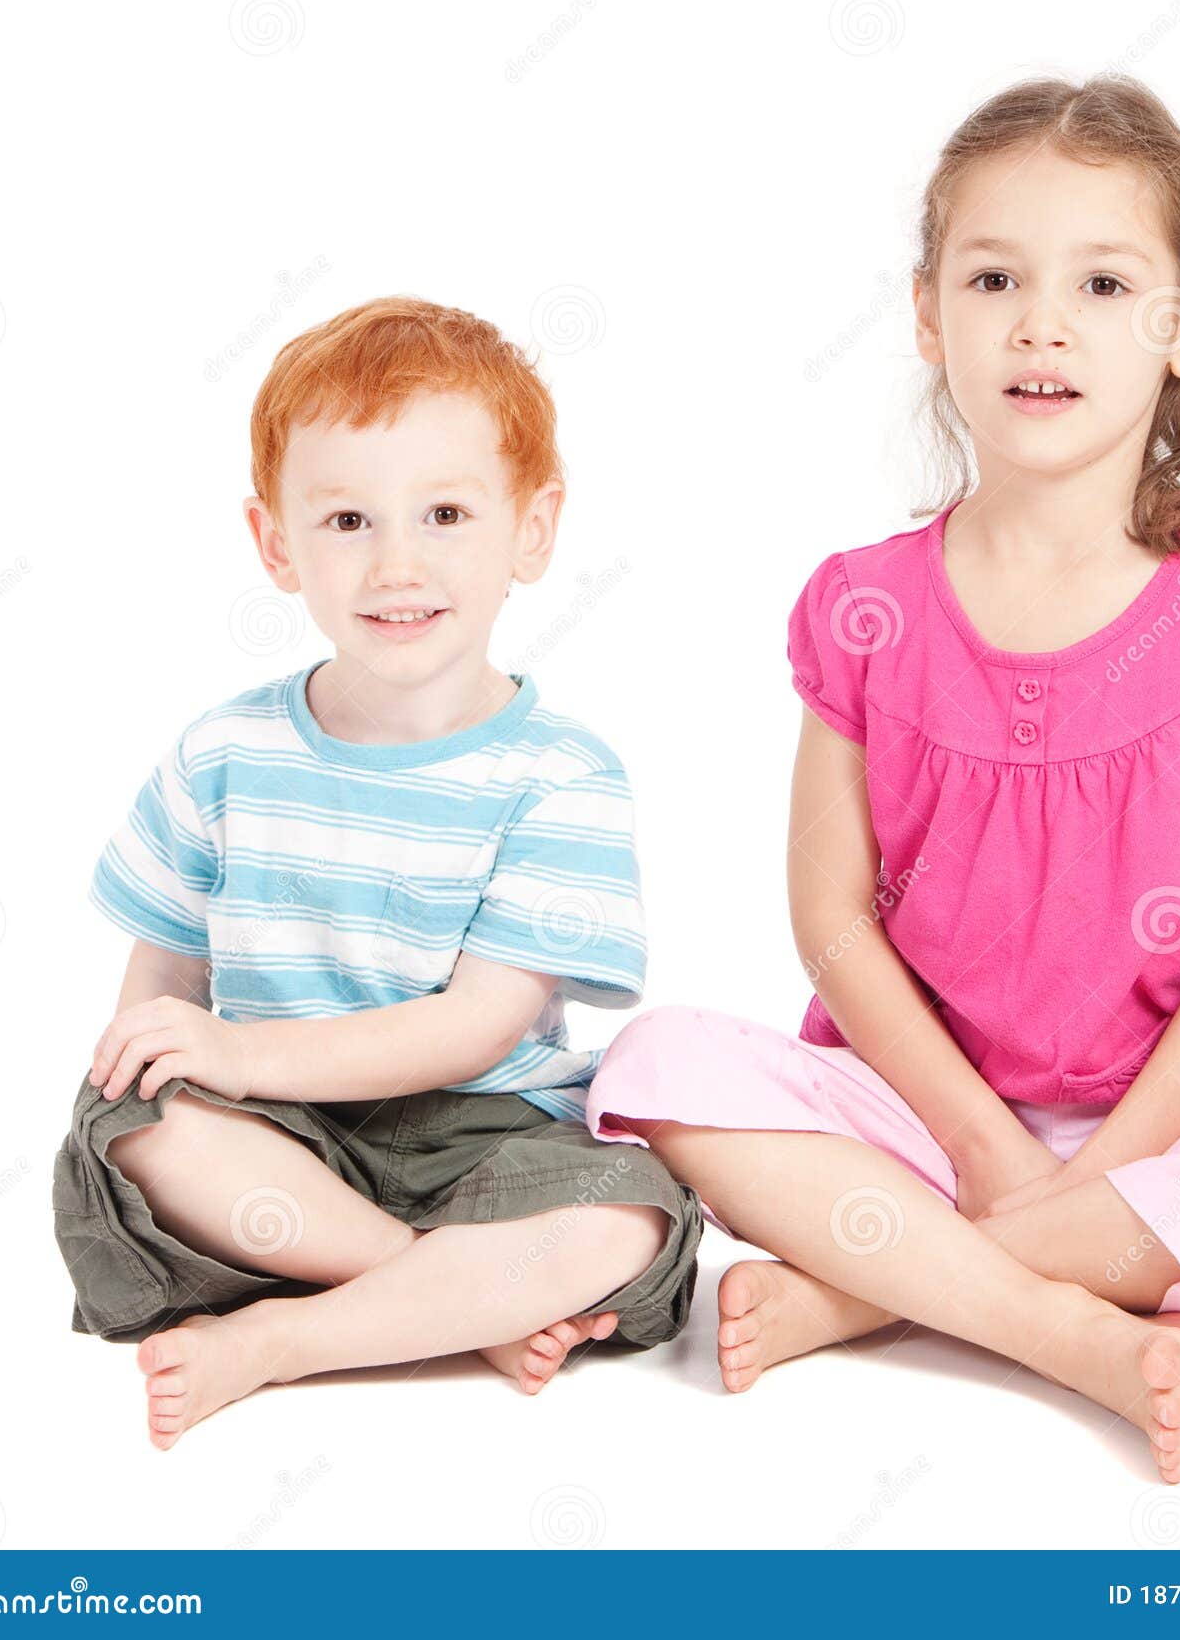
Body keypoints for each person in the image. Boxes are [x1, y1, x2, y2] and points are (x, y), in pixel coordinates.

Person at [584, 75, 1180, 1484]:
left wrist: (1100, 1167)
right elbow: (831, 918)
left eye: (1101, 281)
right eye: (994, 277)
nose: (1040, 321)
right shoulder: (864, 604)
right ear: (926, 316)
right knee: (654, 1063)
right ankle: (1065, 1322)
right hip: (921, 1114)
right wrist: (987, 1149)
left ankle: (876, 1288)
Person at [52, 296, 701, 1449]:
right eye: (346, 518)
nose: (397, 561)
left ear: (532, 530)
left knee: (626, 1218)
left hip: (484, 1130)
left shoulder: (561, 772)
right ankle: (435, 1296)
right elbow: (157, 994)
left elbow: (471, 1024)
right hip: (282, 1134)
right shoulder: (224, 754)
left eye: (446, 512)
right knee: (132, 1118)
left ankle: (283, 1338)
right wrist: (170, 1064)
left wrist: (241, 1049)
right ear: (276, 544)